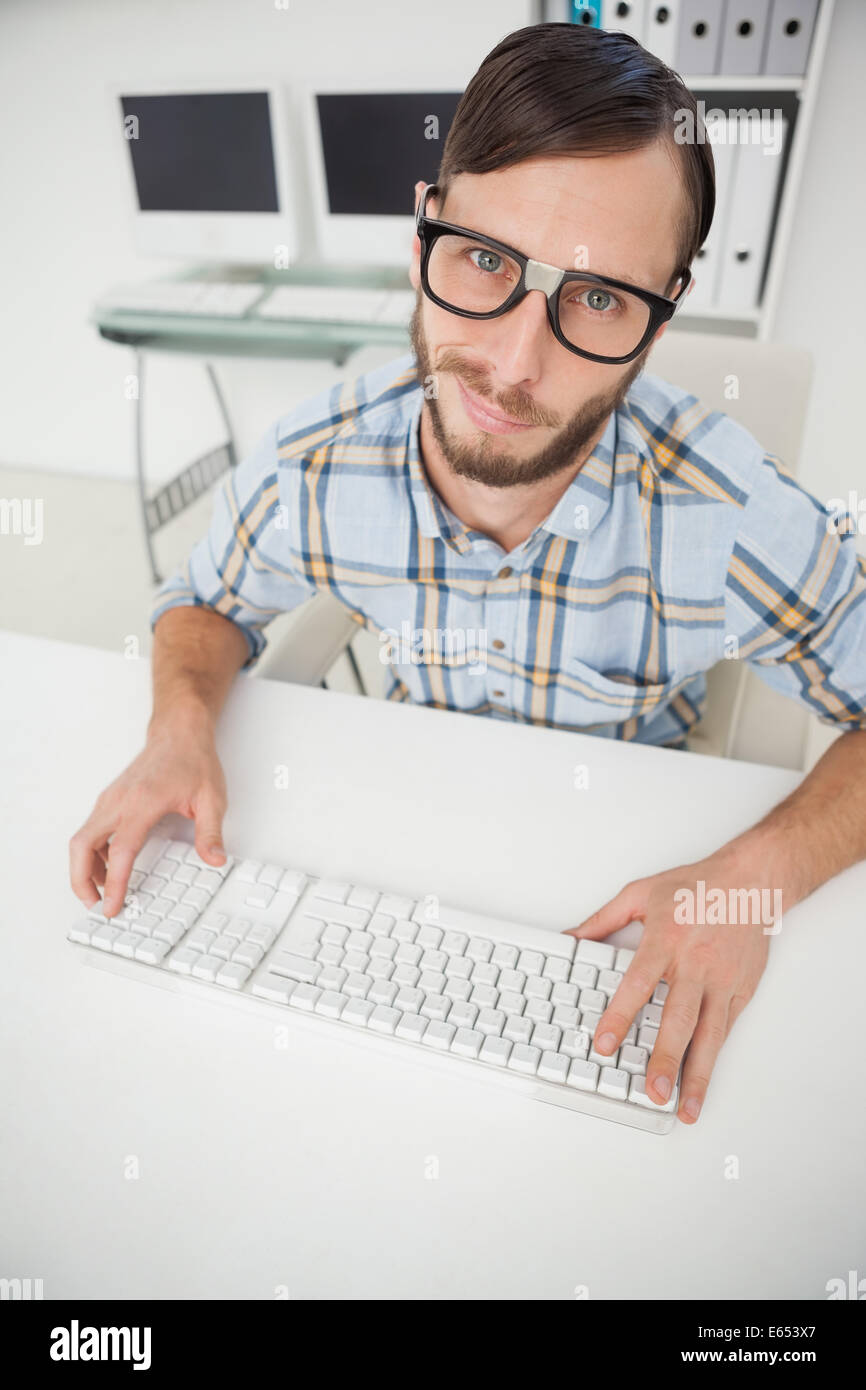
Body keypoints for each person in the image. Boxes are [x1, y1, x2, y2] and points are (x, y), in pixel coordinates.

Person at [70, 23, 866, 1124]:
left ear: (661, 311)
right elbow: (204, 604)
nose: (512, 363)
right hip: (406, 868)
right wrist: (174, 727)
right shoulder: (318, 461)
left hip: (624, 887)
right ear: (422, 236)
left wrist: (756, 875)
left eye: (595, 298)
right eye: (485, 260)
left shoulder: (728, 513)